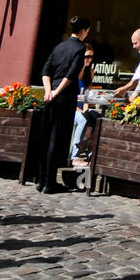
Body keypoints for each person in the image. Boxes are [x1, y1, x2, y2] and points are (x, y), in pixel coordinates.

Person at [36, 16, 90, 194]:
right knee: (56, 139)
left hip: (49, 96)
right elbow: (72, 73)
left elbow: (46, 70)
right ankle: (50, 183)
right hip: (64, 98)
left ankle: (41, 179)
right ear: (83, 31)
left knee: (45, 137)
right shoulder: (81, 48)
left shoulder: (60, 46)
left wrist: (48, 91)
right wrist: (57, 92)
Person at [69, 46, 99, 161]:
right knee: (83, 120)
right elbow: (70, 96)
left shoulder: (90, 72)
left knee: (97, 118)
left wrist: (85, 109)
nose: (89, 59)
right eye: (87, 56)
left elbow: (87, 94)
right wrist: (79, 109)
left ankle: (89, 151)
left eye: (91, 57)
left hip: (82, 107)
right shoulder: (74, 72)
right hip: (72, 107)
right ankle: (75, 155)